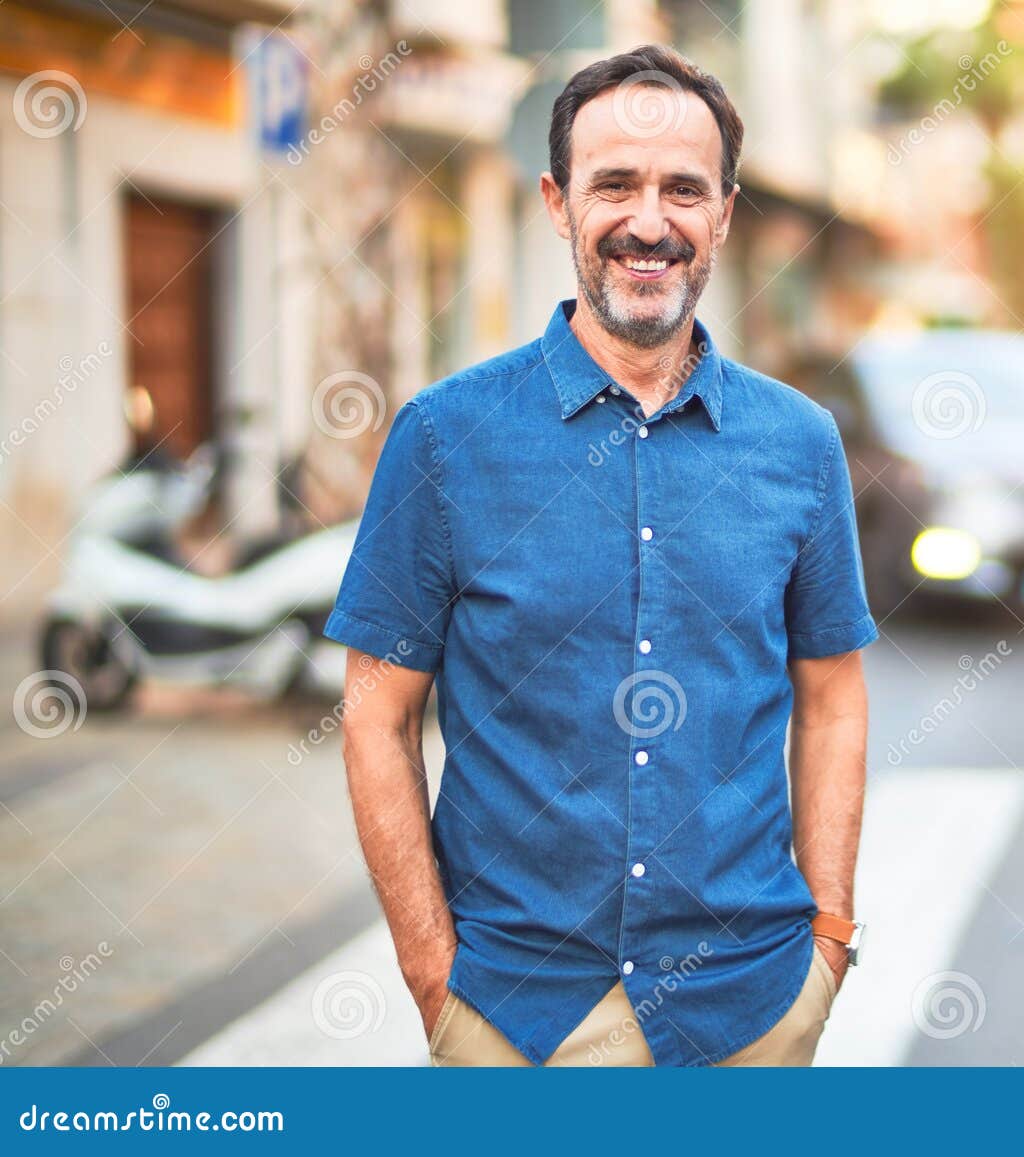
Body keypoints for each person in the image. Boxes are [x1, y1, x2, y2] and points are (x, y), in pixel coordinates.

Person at [324, 44, 877, 1067]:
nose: (649, 221)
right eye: (614, 183)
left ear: (724, 214)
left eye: (683, 189)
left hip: (753, 1004)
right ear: (556, 201)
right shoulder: (444, 437)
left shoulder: (801, 444)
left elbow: (834, 698)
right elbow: (375, 714)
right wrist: (432, 973)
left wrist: (831, 938)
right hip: (515, 1013)